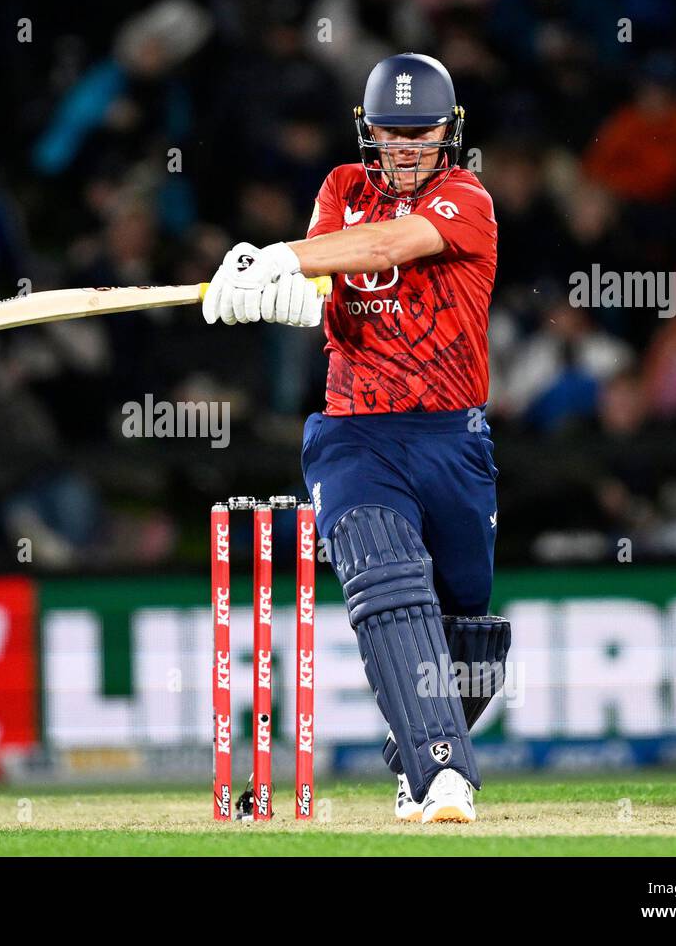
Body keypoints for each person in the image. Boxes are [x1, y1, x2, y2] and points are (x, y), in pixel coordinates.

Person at [202, 53, 508, 824]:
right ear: (366, 130)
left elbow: (380, 249)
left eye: (421, 133)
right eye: (390, 132)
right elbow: (322, 270)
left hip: (452, 436)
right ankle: (442, 776)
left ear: (449, 133)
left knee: (466, 626)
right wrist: (275, 293)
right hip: (355, 433)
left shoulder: (466, 197)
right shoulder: (341, 187)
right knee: (386, 576)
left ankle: (411, 756)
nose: (404, 149)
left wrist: (282, 259)